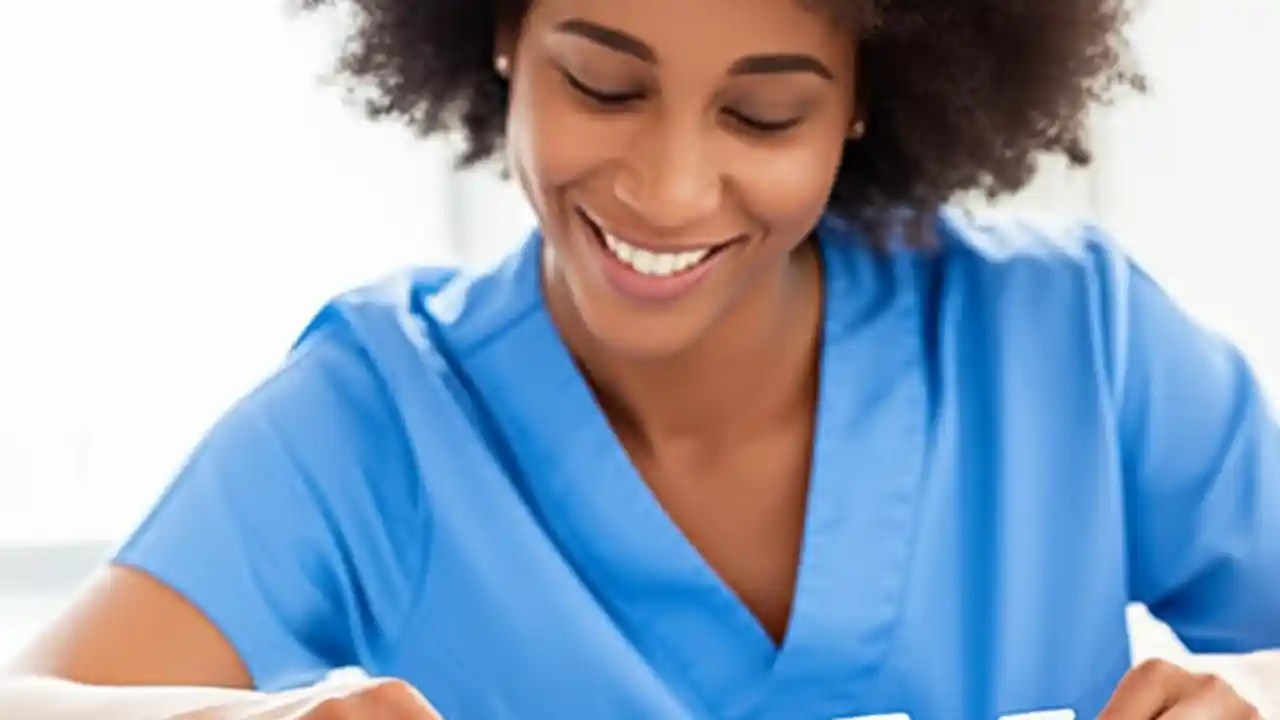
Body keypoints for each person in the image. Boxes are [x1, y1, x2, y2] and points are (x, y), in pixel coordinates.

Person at [2, 0, 1277, 717]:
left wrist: (1242, 702)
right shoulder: (375, 418)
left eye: (763, 113)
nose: (667, 191)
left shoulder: (1072, 344)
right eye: (602, 87)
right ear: (504, 36)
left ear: (861, 100)